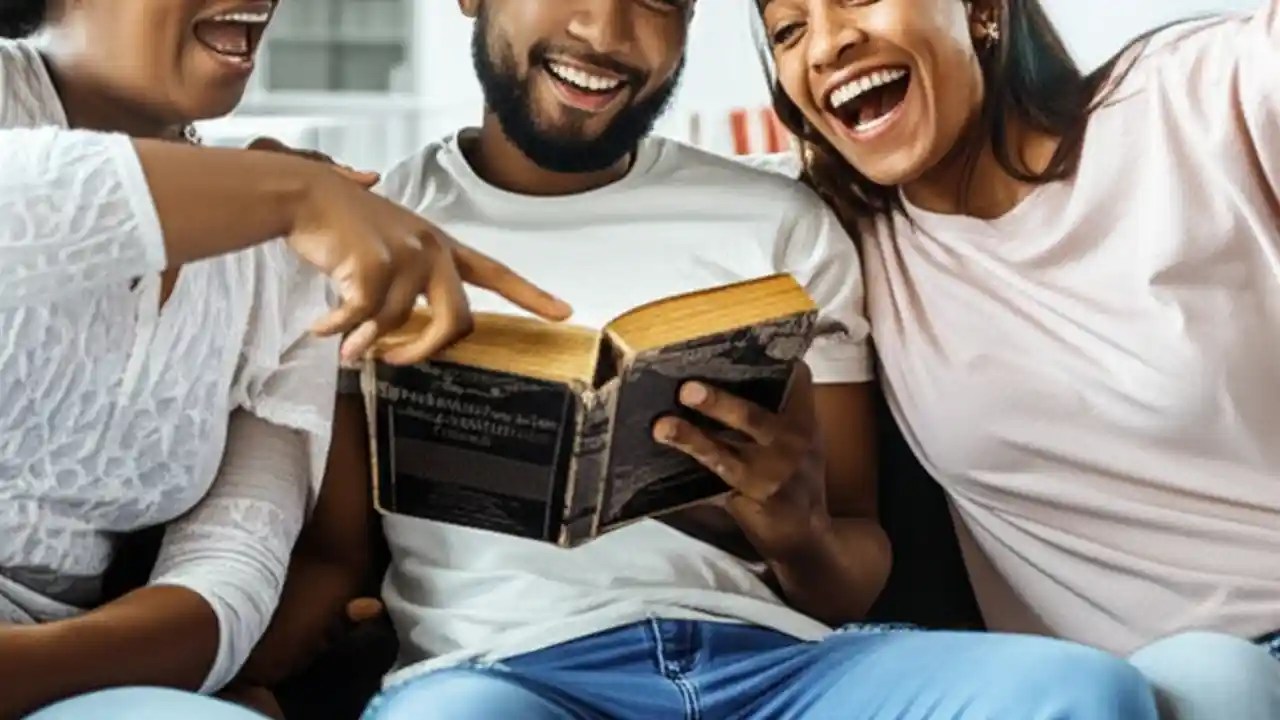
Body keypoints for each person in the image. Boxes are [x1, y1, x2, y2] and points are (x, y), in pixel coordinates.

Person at [250, 1, 1158, 718]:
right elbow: (336, 558)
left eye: (656, 0)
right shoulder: (371, 231)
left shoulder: (777, 225)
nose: (605, 34)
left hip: (778, 670)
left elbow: (853, 568)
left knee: (1084, 695)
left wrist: (792, 528)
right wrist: (230, 678)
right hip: (504, 677)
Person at [0, 0, 570, 717]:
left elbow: (231, 572)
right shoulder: (290, 200)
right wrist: (292, 194)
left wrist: (41, 671)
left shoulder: (277, 249)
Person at [753, 0, 1280, 717]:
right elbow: (622, 184)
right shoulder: (837, 245)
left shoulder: (1203, 94)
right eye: (789, 30)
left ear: (980, 10)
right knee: (1211, 680)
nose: (826, 46)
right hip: (1138, 692)